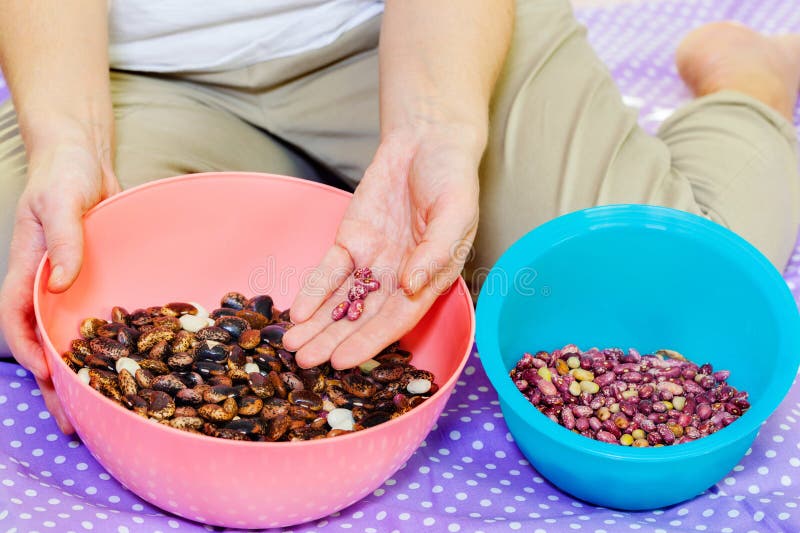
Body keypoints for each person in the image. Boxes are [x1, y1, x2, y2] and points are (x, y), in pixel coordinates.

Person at [0, 0, 798, 435]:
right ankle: (301, 194)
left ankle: (746, 84)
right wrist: (67, 141)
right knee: (34, 289)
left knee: (671, 303)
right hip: (132, 70)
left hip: (415, 36)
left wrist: (432, 130)